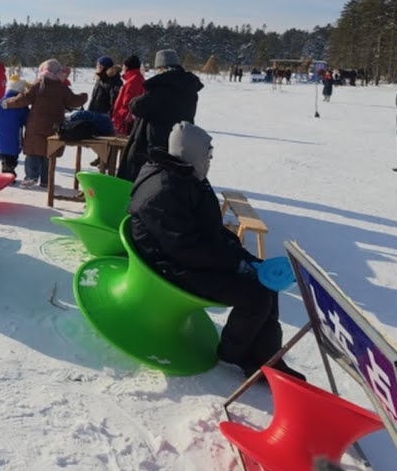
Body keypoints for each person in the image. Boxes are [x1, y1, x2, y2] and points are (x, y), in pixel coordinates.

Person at [128, 123, 304, 381]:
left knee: (266, 282)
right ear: (192, 153)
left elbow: (207, 229)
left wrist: (243, 257)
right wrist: (235, 263)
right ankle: (235, 354)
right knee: (255, 295)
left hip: (188, 256)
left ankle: (268, 358)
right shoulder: (163, 190)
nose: (209, 160)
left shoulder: (185, 175)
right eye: (206, 155)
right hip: (168, 266)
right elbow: (184, 248)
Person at [117, 49, 203, 182]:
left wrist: (136, 99)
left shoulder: (161, 88)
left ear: (161, 68)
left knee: (150, 180)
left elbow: (136, 107)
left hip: (156, 144)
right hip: (180, 141)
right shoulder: (189, 87)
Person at [3, 59, 87, 188]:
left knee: (33, 151)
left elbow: (24, 98)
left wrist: (7, 102)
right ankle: (46, 180)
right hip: (55, 125)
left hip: (36, 125)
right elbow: (73, 102)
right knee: (49, 152)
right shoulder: (62, 87)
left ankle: (31, 177)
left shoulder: (38, 85)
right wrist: (83, 96)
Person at [0, 78, 29, 176]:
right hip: (15, 134)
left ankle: (6, 169)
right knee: (13, 154)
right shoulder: (21, 104)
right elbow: (26, 118)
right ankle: (10, 169)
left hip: (2, 134)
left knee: (4, 153)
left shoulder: (1, 101)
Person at [110, 54, 144, 136]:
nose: (122, 68)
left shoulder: (133, 81)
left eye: (124, 66)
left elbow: (127, 103)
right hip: (127, 120)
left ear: (128, 67)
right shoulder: (136, 78)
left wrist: (117, 117)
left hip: (124, 121)